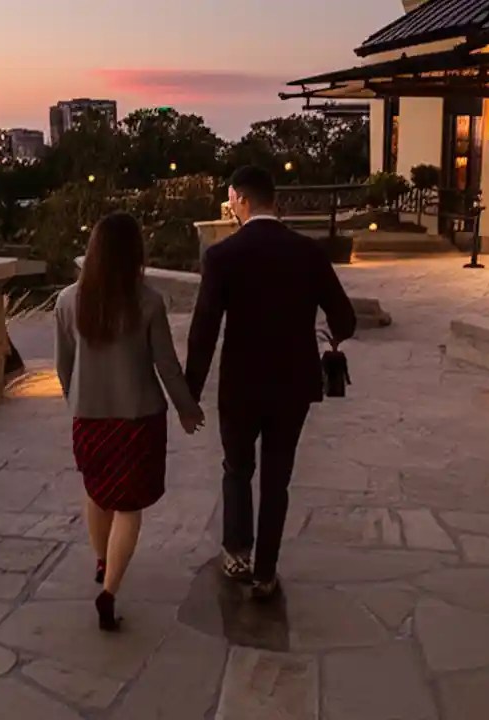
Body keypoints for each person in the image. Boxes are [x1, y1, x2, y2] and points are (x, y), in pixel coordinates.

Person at [186, 166, 356, 600]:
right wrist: (327, 338)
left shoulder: (223, 256)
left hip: (240, 384)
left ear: (240, 199)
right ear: (272, 199)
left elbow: (204, 329)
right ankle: (266, 572)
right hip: (293, 383)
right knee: (277, 478)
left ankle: (237, 554)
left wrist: (190, 390)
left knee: (237, 469)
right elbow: (345, 320)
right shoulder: (308, 252)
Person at [55, 212, 205, 631]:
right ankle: (109, 592)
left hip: (89, 418)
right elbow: (167, 365)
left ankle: (104, 562)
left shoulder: (67, 300)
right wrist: (187, 409)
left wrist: (78, 404)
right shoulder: (147, 301)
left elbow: (62, 367)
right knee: (129, 506)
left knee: (97, 492)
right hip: (138, 421)